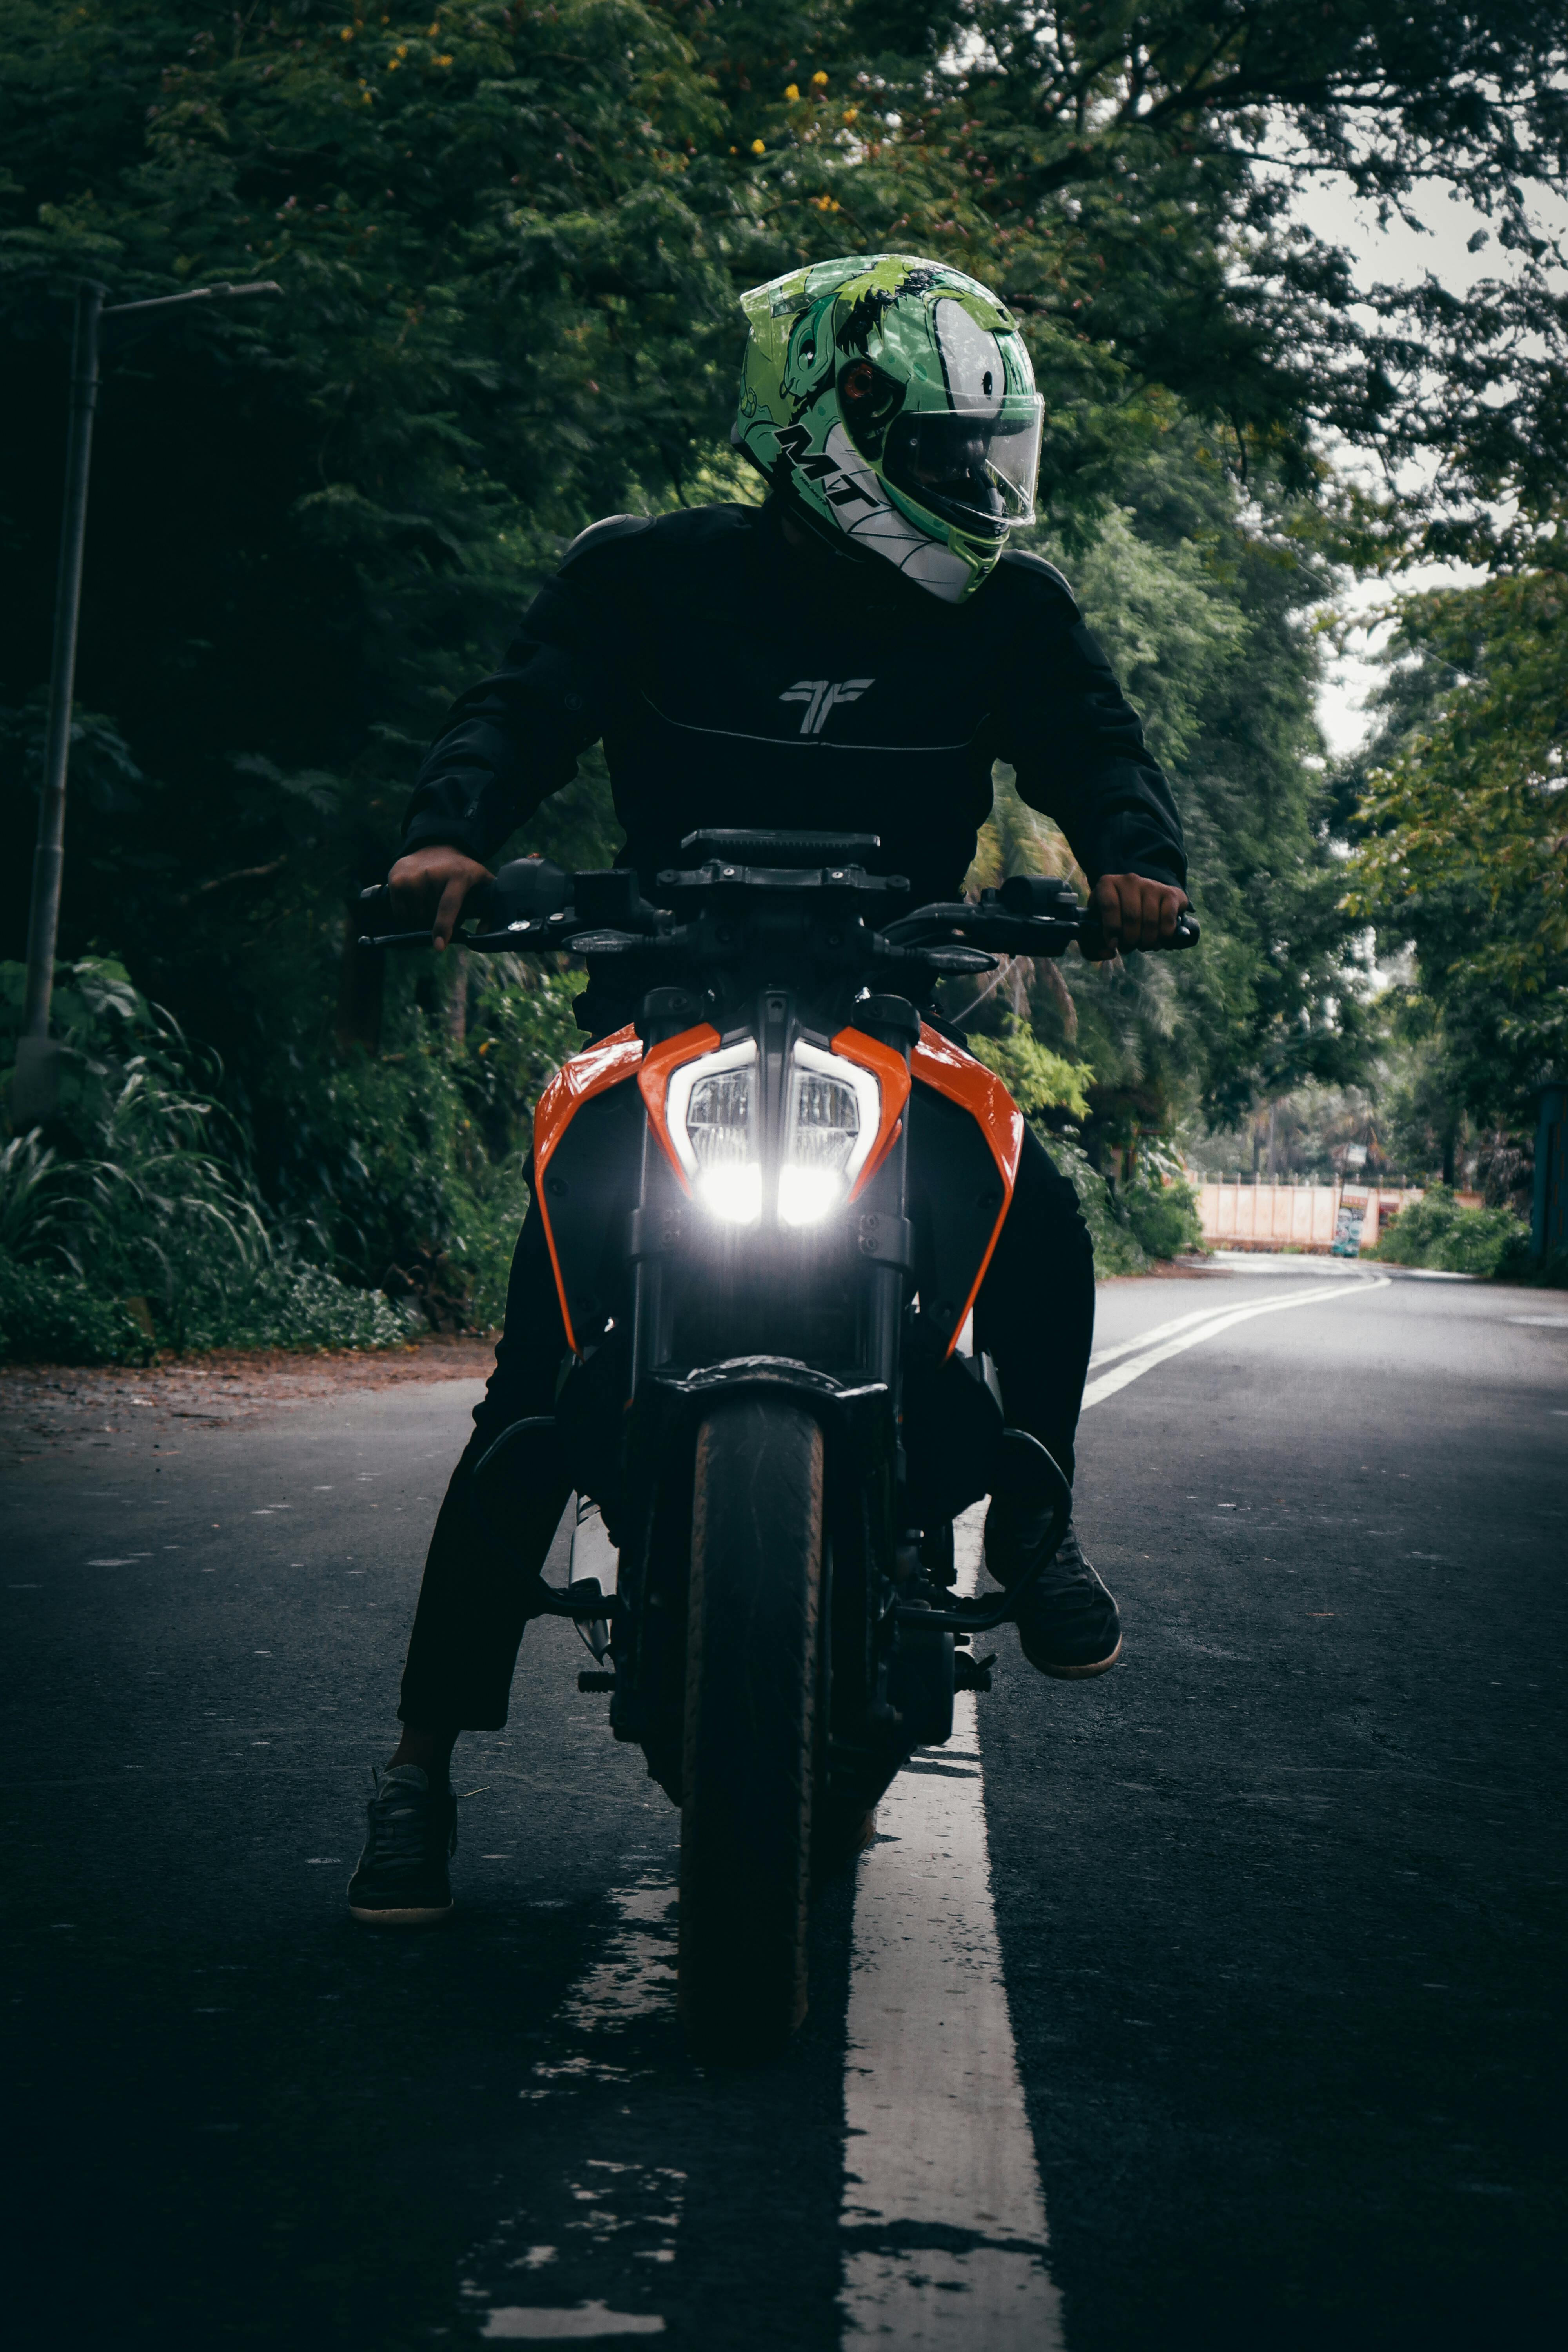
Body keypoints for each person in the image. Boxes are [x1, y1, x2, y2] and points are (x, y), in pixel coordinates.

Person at [347, 254, 1188, 1924]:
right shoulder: (642, 576)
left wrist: (1134, 868)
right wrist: (451, 839)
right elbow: (517, 716)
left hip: (888, 1010)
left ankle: (1028, 1516)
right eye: (938, 452)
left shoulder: (1005, 608)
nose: (968, 488)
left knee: (1044, 1214)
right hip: (654, 1012)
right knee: (532, 1384)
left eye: (981, 454)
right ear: (827, 420)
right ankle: (417, 1772)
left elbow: (1097, 752)